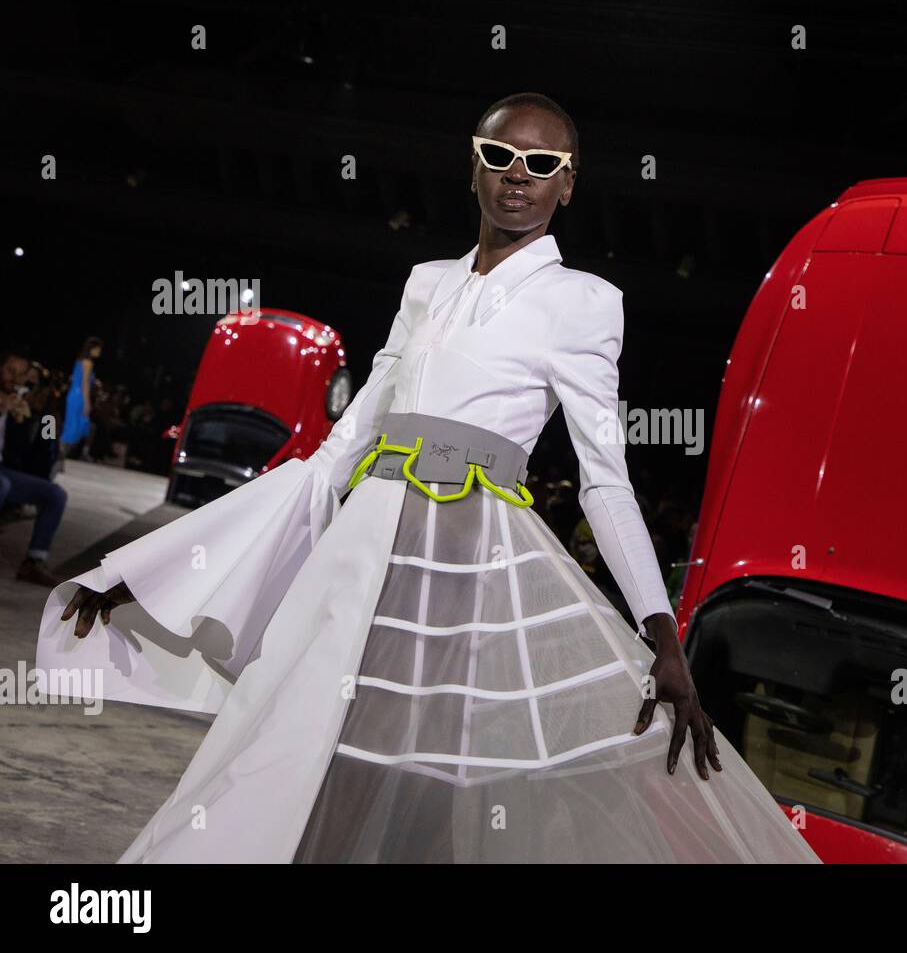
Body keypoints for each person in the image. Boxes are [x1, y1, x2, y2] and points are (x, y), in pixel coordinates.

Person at [36, 93, 820, 864]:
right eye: (501, 156)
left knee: (418, 776)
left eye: (542, 163)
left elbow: (604, 480)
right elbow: (333, 458)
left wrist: (662, 635)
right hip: (360, 556)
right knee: (280, 744)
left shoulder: (585, 303)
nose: (519, 175)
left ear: (568, 182)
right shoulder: (424, 282)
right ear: (472, 165)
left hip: (462, 574)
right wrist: (156, 571)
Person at [0, 351, 68, 585]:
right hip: (8, 472)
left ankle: (34, 562)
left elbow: (43, 452)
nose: (26, 386)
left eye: (33, 383)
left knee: (55, 493)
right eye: (25, 381)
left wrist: (41, 421)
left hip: (22, 470)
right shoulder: (10, 404)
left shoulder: (46, 415)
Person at [60, 336, 102, 460]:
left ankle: (61, 454)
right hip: (79, 396)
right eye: (99, 349)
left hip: (74, 395)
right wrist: (87, 402)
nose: (100, 351)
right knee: (75, 427)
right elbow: (84, 383)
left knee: (77, 426)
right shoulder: (88, 362)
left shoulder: (80, 360)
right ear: (93, 348)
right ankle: (59, 454)